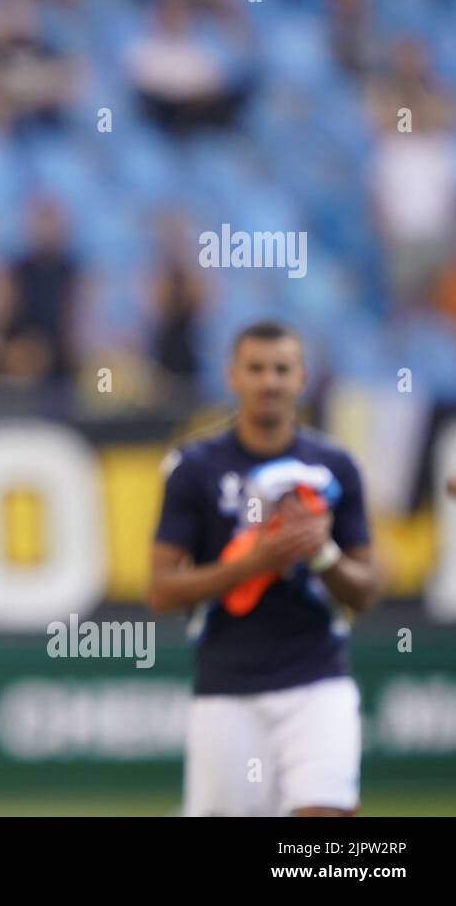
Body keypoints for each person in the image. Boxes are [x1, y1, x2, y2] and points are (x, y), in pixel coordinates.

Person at [148, 320, 381, 816]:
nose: (269, 381)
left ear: (302, 378)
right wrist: (252, 563)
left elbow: (365, 590)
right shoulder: (195, 467)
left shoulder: (336, 467)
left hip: (317, 678)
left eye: (282, 369)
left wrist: (322, 555)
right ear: (233, 376)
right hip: (229, 686)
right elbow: (162, 590)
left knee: (327, 816)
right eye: (256, 369)